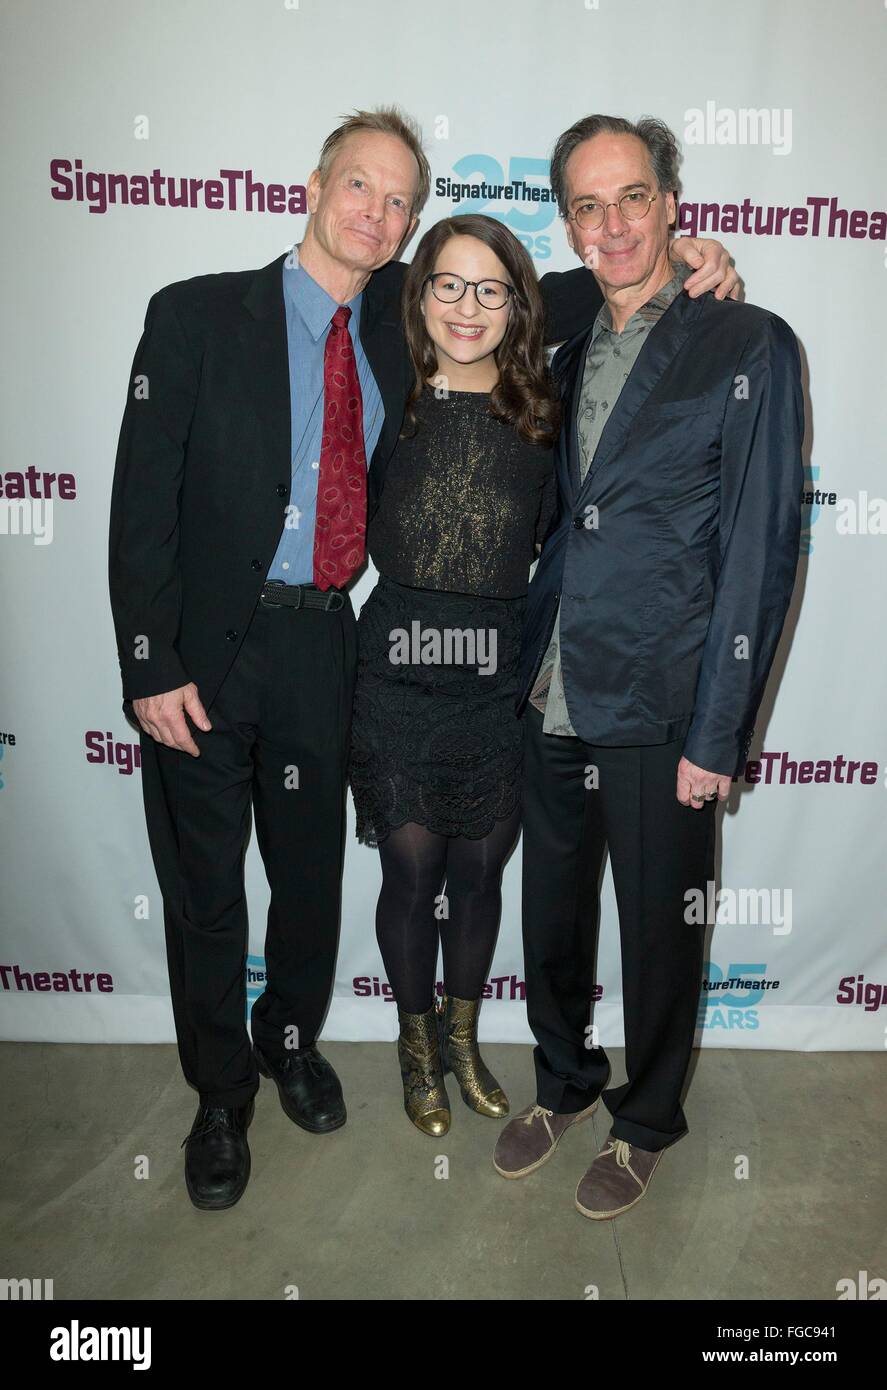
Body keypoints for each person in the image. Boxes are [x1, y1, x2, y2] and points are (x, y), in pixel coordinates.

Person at [108, 103, 739, 1210]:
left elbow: (557, 293)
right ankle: (218, 1099)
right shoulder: (201, 316)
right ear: (314, 185)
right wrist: (150, 658)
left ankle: (291, 1044)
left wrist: (674, 256)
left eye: (398, 198)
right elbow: (139, 503)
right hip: (209, 654)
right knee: (208, 891)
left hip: (323, 639)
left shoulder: (393, 337)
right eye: (362, 186)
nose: (378, 211)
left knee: (308, 884)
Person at [493, 115, 804, 1221]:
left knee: (660, 932)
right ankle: (564, 1081)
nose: (612, 224)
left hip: (665, 697)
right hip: (551, 685)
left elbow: (761, 548)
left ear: (672, 200)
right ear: (567, 223)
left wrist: (715, 735)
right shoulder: (564, 321)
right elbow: (468, 281)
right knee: (553, 919)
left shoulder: (746, 342)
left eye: (632, 198)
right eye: (586, 205)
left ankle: (647, 1117)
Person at [349, 214, 560, 1136]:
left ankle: (465, 1039)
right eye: (446, 284)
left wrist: (692, 256)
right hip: (395, 670)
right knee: (412, 872)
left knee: (479, 876)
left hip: (493, 674)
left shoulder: (543, 407)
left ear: (516, 304)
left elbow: (602, 285)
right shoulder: (386, 382)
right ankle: (415, 1045)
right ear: (418, 293)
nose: (465, 307)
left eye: (489, 289)